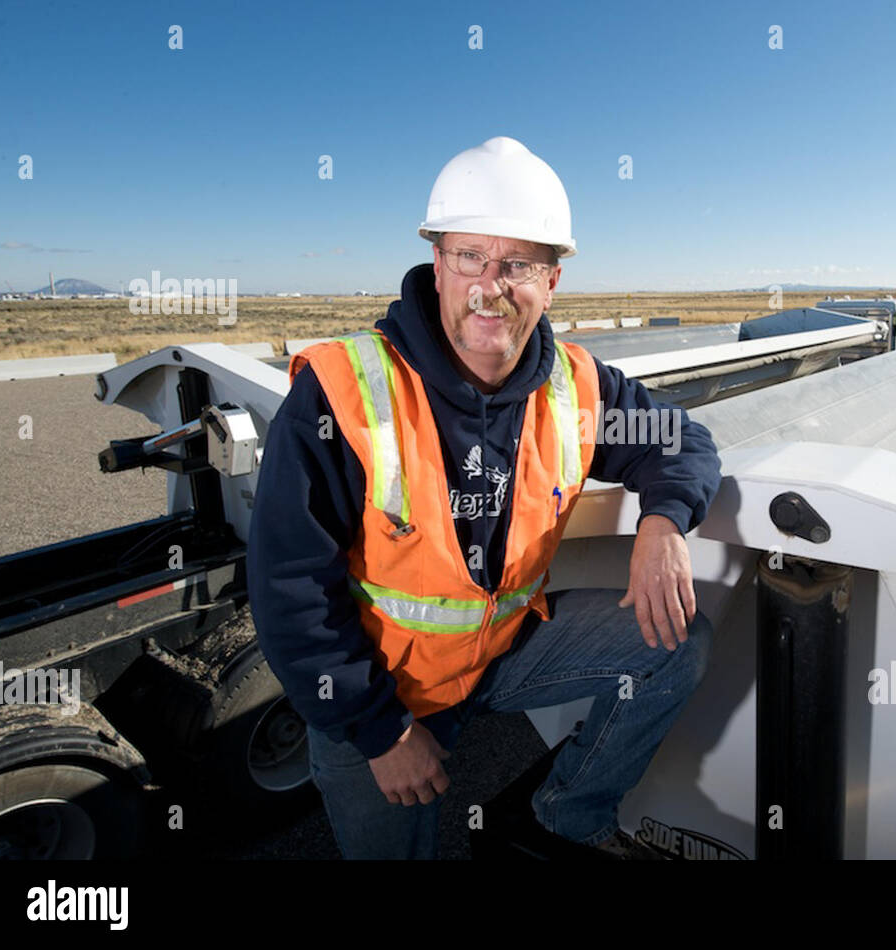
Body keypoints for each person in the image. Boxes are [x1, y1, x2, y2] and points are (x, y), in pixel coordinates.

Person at [247, 136, 722, 860]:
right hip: (383, 688)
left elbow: (678, 439)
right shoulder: (344, 391)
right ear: (437, 263)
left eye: (519, 264)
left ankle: (566, 818)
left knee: (674, 643)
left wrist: (664, 523)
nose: (490, 285)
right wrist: (381, 732)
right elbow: (289, 590)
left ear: (552, 281)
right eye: (471, 256)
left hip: (500, 655)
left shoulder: (574, 384)